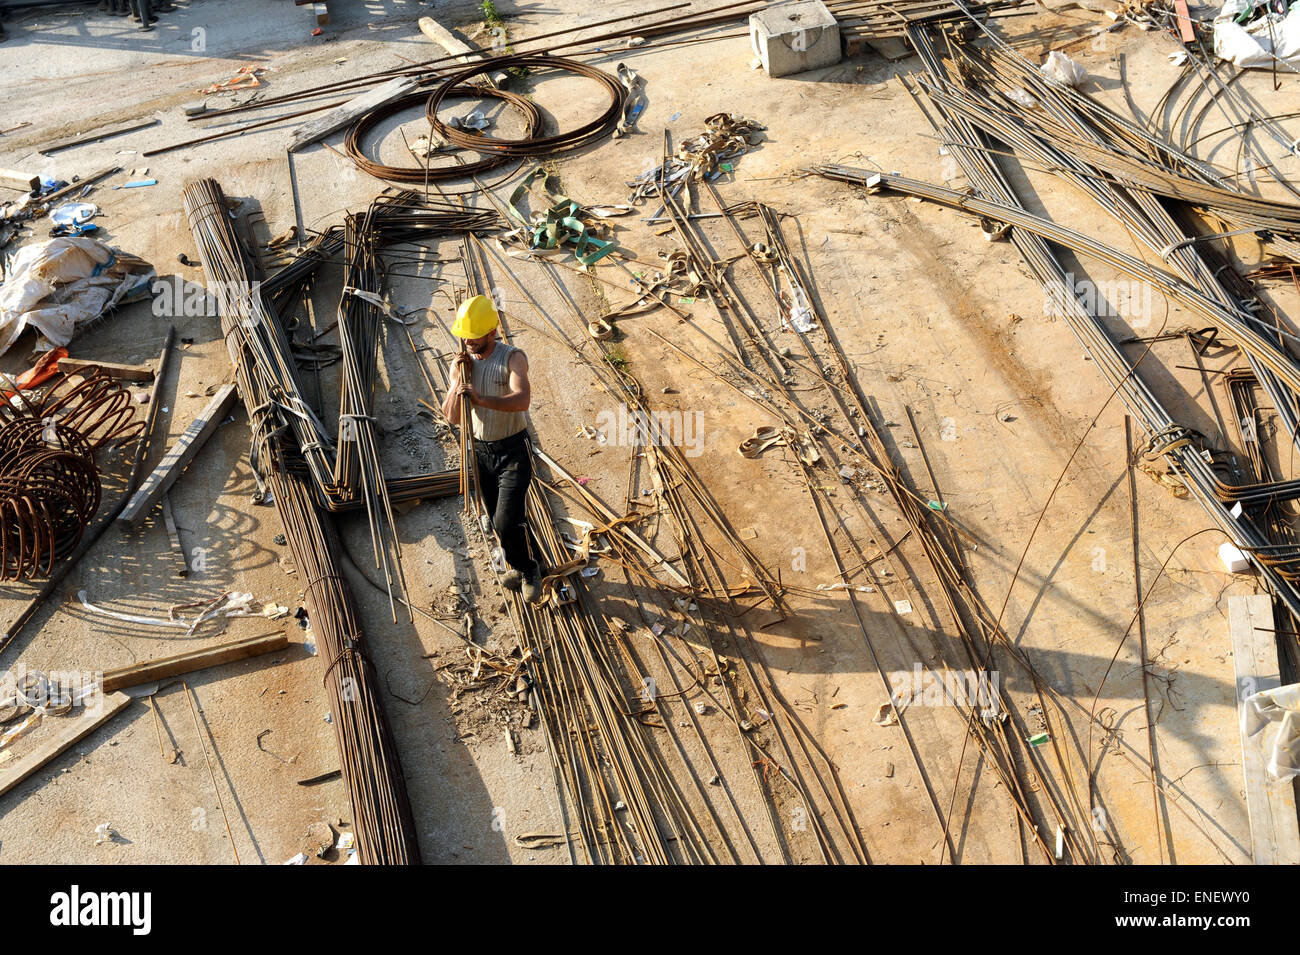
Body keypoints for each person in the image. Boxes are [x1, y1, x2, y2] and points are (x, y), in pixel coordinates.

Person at [441, 295, 544, 603]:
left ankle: (528, 570)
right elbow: (451, 416)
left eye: (475, 337)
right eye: (465, 337)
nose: (468, 342)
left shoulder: (513, 357)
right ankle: (524, 560)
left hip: (513, 450)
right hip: (480, 453)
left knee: (504, 521)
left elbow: (522, 400)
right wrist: (458, 381)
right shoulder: (462, 363)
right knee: (500, 518)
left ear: (492, 332)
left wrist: (481, 399)